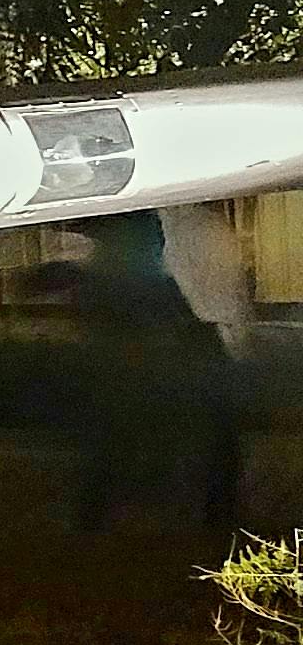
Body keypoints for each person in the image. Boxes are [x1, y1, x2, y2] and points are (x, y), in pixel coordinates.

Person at [53, 214, 248, 543]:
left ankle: (96, 513)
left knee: (118, 428)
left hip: (180, 339)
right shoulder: (204, 226)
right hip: (200, 339)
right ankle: (217, 513)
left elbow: (160, 286)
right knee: (214, 433)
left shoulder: (171, 228)